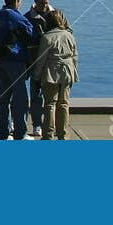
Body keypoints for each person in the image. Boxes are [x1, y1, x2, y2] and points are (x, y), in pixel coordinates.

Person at [0, 0, 36, 140]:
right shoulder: (15, 16)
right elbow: (31, 32)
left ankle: (3, 132)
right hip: (15, 60)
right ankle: (20, 132)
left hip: (0, 61)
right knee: (20, 99)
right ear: (16, 1)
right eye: (20, 1)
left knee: (3, 98)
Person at [35, 9, 78, 140]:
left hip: (51, 74)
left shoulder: (46, 37)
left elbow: (41, 60)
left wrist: (37, 77)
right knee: (64, 104)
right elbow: (75, 56)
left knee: (50, 104)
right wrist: (74, 72)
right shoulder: (69, 35)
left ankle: (48, 134)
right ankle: (63, 134)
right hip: (67, 72)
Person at [26, 0, 54, 137]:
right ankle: (37, 124)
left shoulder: (55, 16)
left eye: (46, 3)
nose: (44, 6)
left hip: (51, 64)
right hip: (35, 63)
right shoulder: (28, 18)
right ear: (35, 2)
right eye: (41, 3)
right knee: (36, 95)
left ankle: (49, 123)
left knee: (50, 97)